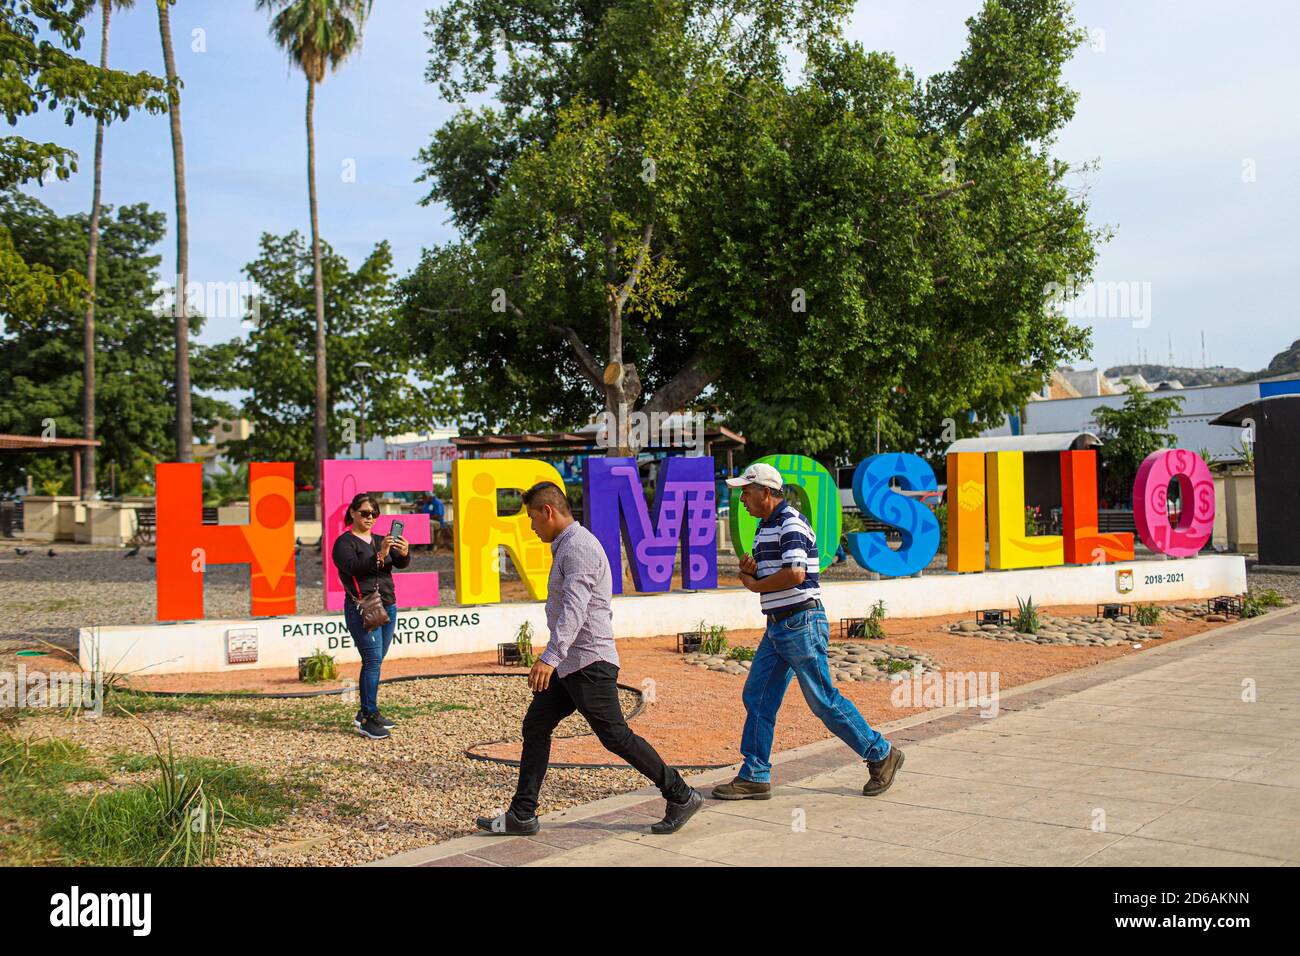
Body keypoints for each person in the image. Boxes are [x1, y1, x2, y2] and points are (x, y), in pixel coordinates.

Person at [476, 481, 703, 836]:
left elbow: (575, 610)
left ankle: (681, 793)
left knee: (615, 736)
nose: (532, 528)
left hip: (589, 663)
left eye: (533, 519)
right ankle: (522, 814)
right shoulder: (568, 545)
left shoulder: (579, 548)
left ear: (548, 512)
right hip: (570, 663)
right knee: (536, 725)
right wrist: (556, 659)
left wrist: (549, 657)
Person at [712, 463, 904, 800]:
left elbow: (795, 574)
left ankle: (881, 753)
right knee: (757, 697)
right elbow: (762, 577)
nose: (741, 498)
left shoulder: (791, 524)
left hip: (801, 623)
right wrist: (749, 574)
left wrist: (756, 585)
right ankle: (755, 774)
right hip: (778, 627)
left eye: (747, 491)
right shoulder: (765, 528)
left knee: (823, 702)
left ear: (767, 493)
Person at [333, 492, 410, 739]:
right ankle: (368, 717)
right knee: (372, 661)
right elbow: (354, 568)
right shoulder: (344, 543)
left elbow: (399, 563)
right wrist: (381, 553)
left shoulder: (380, 539)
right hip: (363, 607)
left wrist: (405, 552)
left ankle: (368, 712)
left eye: (374, 514)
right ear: (353, 513)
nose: (370, 518)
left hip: (388, 604)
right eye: (365, 513)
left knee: (377, 660)